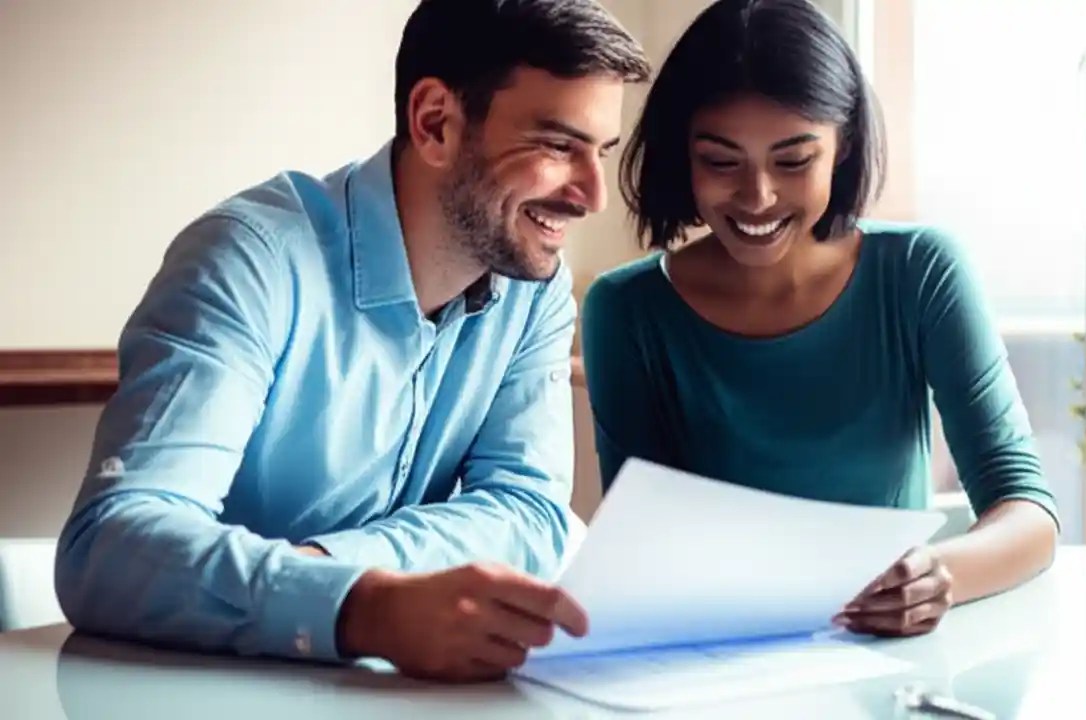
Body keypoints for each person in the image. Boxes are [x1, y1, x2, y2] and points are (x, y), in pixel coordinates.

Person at [54, 0, 649, 682]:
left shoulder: (534, 287)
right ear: (435, 123)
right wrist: (364, 608)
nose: (594, 196)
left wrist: (338, 578)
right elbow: (108, 547)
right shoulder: (250, 259)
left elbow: (529, 513)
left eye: (602, 152)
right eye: (558, 145)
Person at [581, 0, 1057, 638]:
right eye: (721, 161)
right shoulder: (626, 310)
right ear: (682, 154)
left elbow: (1028, 512)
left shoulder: (921, 272)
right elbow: (640, 544)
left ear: (844, 145)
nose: (757, 196)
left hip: (892, 660)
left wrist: (941, 575)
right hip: (717, 660)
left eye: (793, 161)